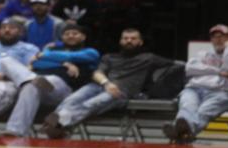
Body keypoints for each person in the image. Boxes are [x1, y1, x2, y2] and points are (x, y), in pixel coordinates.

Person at [40, 28, 172, 138]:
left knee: (92, 103)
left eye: (133, 38)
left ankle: (57, 122)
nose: (129, 41)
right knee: (72, 99)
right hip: (100, 85)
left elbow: (175, 65)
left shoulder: (149, 58)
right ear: (120, 41)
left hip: (121, 92)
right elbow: (97, 73)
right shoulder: (109, 57)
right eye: (125, 38)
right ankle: (57, 124)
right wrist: (107, 83)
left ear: (140, 42)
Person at [5, 21, 98, 138]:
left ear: (83, 37)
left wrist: (46, 56)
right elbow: (38, 63)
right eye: (67, 34)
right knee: (9, 64)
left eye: (74, 33)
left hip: (63, 89)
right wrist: (65, 63)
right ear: (62, 37)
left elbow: (70, 57)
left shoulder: (90, 52)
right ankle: (15, 131)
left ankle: (31, 79)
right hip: (38, 85)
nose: (70, 36)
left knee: (44, 80)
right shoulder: (53, 51)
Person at [164, 24, 228, 143]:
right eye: (215, 37)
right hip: (194, 89)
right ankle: (185, 133)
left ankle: (179, 132)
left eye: (222, 36)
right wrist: (220, 71)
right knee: (187, 105)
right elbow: (189, 69)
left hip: (223, 93)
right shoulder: (203, 55)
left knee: (205, 110)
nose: (218, 39)